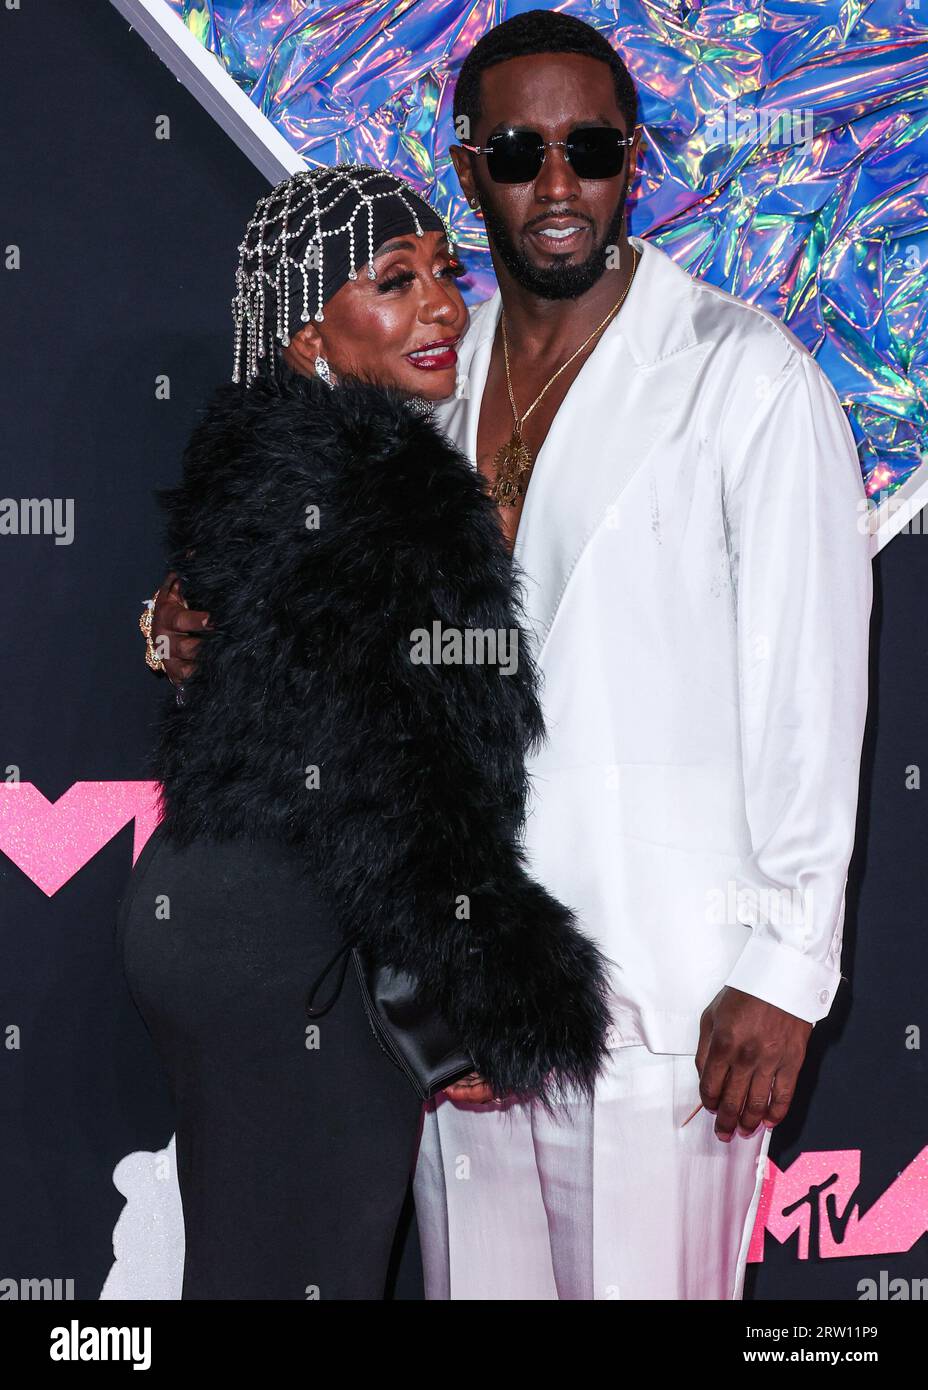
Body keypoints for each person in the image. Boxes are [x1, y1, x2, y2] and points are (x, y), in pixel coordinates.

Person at [150, 12, 874, 1301]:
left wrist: (785, 969)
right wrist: (171, 617)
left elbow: (809, 696)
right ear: (469, 160)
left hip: (668, 999)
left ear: (632, 162)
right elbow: (309, 579)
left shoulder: (746, 381)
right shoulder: (432, 369)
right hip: (449, 1000)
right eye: (519, 150)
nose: (557, 185)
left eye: (589, 148)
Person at [118, 162, 613, 1301]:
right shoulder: (402, 490)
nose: (442, 305)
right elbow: (399, 788)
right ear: (307, 339)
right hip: (299, 953)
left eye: (446, 271)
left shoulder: (262, 455)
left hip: (202, 919)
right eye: (394, 283)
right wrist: (473, 1001)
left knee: (251, 1268)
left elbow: (264, 683)